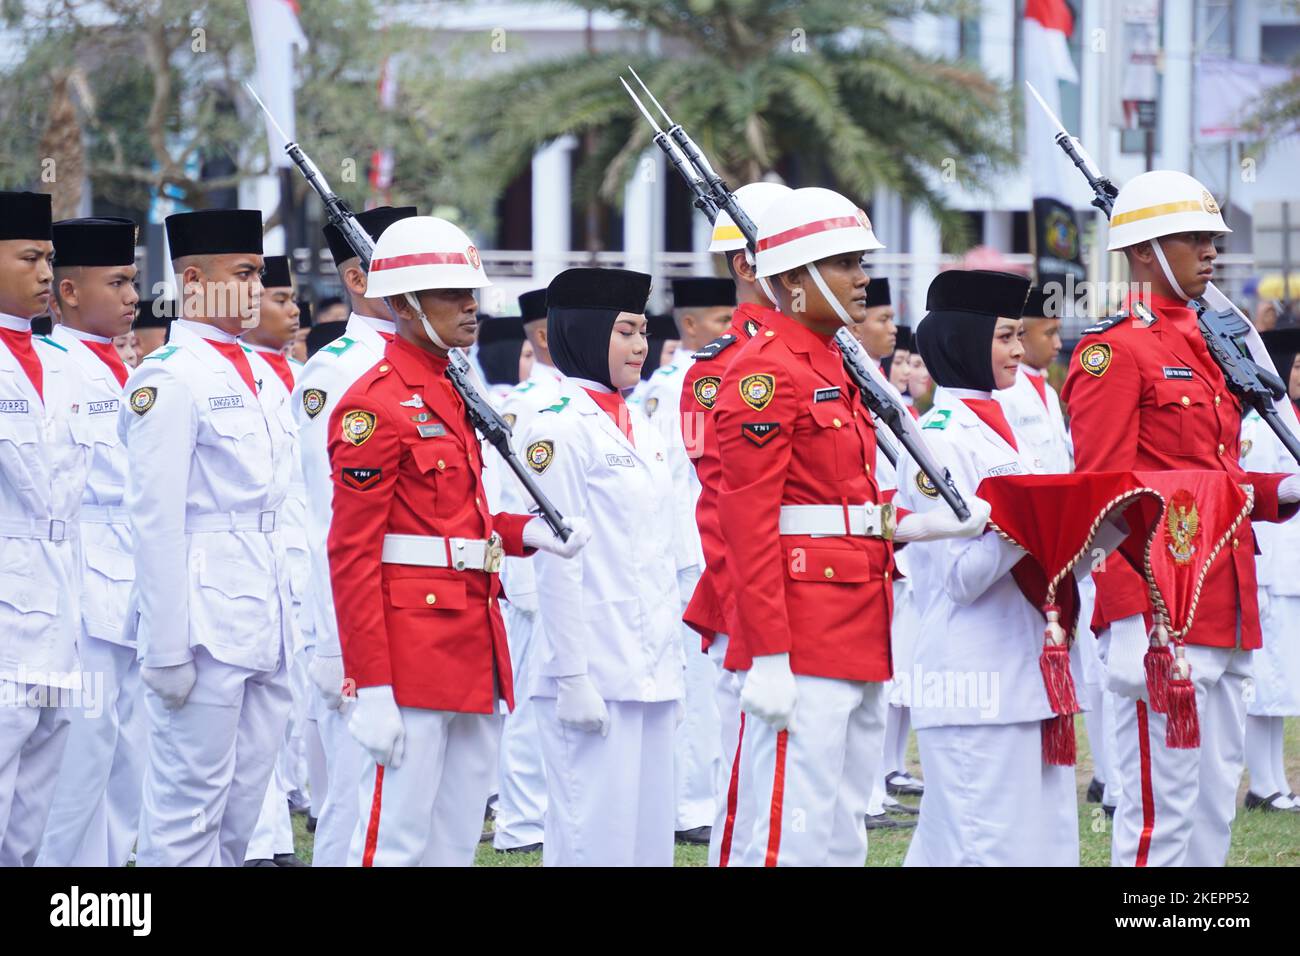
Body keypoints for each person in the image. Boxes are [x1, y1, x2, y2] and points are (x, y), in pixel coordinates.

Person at [715, 186, 989, 866]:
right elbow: (747, 526)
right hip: (802, 631)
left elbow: (842, 507)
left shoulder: (833, 362)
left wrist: (927, 528)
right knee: (789, 828)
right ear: (792, 280)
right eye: (843, 263)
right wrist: (769, 654)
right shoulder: (765, 374)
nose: (862, 278)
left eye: (859, 261)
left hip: (859, 620)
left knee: (843, 824)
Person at [326, 216, 588, 867]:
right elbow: (354, 553)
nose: (471, 305)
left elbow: (456, 524)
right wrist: (372, 684)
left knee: (452, 840)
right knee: (394, 841)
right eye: (450, 293)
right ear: (406, 303)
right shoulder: (375, 405)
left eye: (472, 290)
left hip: (473, 644)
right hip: (410, 654)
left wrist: (527, 532)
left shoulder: (451, 390)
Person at [1061, 169, 1300, 866]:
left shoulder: (1208, 345)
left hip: (1225, 602)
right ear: (1142, 252)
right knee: (1158, 816)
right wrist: (1131, 616)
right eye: (1192, 238)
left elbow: (1213, 479)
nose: (1210, 250)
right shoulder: (1116, 352)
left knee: (1213, 803)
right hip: (1162, 612)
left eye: (1211, 238)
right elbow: (1103, 497)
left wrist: (1280, 490)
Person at [120, 208, 296, 867]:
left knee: (242, 812)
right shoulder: (169, 376)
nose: (258, 288)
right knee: (188, 809)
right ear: (194, 279)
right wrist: (165, 648)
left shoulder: (256, 371)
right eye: (245, 274)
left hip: (264, 614)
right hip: (203, 625)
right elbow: (154, 519)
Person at [897, 269, 1081, 865]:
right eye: (1005, 337)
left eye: (1017, 336)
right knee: (984, 847)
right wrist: (1034, 522)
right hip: (971, 678)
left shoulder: (1009, 424)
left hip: (1026, 671)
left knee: (1043, 846)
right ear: (963, 339)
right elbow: (958, 577)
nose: (1020, 351)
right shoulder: (937, 439)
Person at [520, 267, 682, 866]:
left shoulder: (639, 422)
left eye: (643, 330)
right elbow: (554, 562)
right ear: (586, 332)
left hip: (650, 665)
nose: (640, 346)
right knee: (593, 842)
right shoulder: (557, 422)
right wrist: (571, 675)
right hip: (591, 667)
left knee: (646, 845)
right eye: (624, 331)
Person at [293, 205, 417, 867]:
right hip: (360, 619)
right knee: (357, 799)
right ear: (359, 278)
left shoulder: (435, 362)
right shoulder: (337, 370)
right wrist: (341, 647)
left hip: (423, 614)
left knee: (406, 804)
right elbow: (328, 520)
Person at [677, 180, 791, 866]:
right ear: (748, 267)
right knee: (754, 799)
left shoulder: (822, 357)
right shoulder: (720, 374)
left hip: (819, 600)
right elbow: (731, 508)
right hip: (752, 601)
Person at [38, 217, 146, 868]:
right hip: (79, 585)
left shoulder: (125, 367)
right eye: (118, 282)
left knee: (123, 754)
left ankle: (104, 880)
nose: (133, 296)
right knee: (79, 758)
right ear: (69, 292)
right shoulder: (53, 368)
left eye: (133, 280)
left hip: (127, 583)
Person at [0, 191, 93, 867]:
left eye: (49, 258)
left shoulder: (65, 363)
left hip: (62, 600)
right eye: (28, 256)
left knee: (40, 785)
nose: (43, 273)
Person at [640, 276, 734, 844]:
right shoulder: (681, 384)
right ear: (691, 326)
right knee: (697, 688)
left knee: (713, 686)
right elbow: (673, 481)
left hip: (705, 549)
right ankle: (691, 805)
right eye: (722, 320)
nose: (732, 330)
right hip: (688, 555)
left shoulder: (696, 380)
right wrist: (681, 560)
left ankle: (702, 798)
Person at [240, 253, 311, 866]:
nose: (292, 311)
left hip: (306, 559)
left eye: (292, 300)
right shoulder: (242, 377)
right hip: (257, 559)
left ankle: (281, 823)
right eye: (279, 297)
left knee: (289, 706)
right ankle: (262, 841)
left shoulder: (300, 376)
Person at [490, 287, 565, 854]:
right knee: (528, 703)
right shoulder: (524, 403)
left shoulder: (574, 395)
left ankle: (546, 815)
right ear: (544, 335)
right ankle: (520, 821)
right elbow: (505, 493)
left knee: (558, 697)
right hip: (531, 570)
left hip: (568, 570)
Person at [1240, 327, 1300, 812]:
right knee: (1263, 684)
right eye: (1296, 366)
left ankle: (1277, 779)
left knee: (1282, 685)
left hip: (1291, 572)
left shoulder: (1293, 419)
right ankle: (1262, 784)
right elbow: (1253, 496)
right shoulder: (1259, 427)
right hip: (1269, 570)